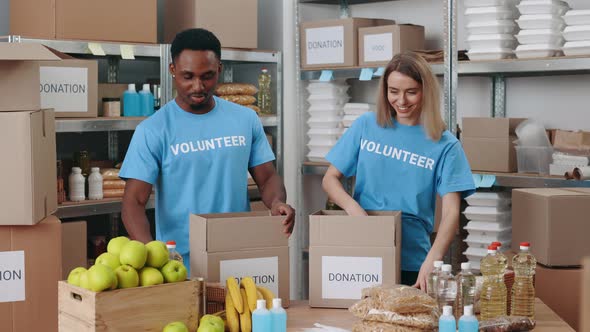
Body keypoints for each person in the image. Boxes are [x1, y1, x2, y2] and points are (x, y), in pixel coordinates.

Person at [120, 28, 295, 271]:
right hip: (180, 265)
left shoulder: (246, 119)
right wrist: (151, 255)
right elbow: (133, 202)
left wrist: (277, 203)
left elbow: (267, 179)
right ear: (172, 71)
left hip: (239, 256)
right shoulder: (153, 130)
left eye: (207, 76)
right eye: (188, 76)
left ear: (220, 69)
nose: (198, 86)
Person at [322, 51, 475, 290]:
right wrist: (354, 209)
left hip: (413, 260)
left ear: (426, 91)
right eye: (393, 91)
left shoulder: (445, 145)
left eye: (411, 92)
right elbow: (330, 179)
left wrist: (431, 261)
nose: (401, 101)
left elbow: (451, 214)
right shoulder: (366, 125)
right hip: (364, 249)